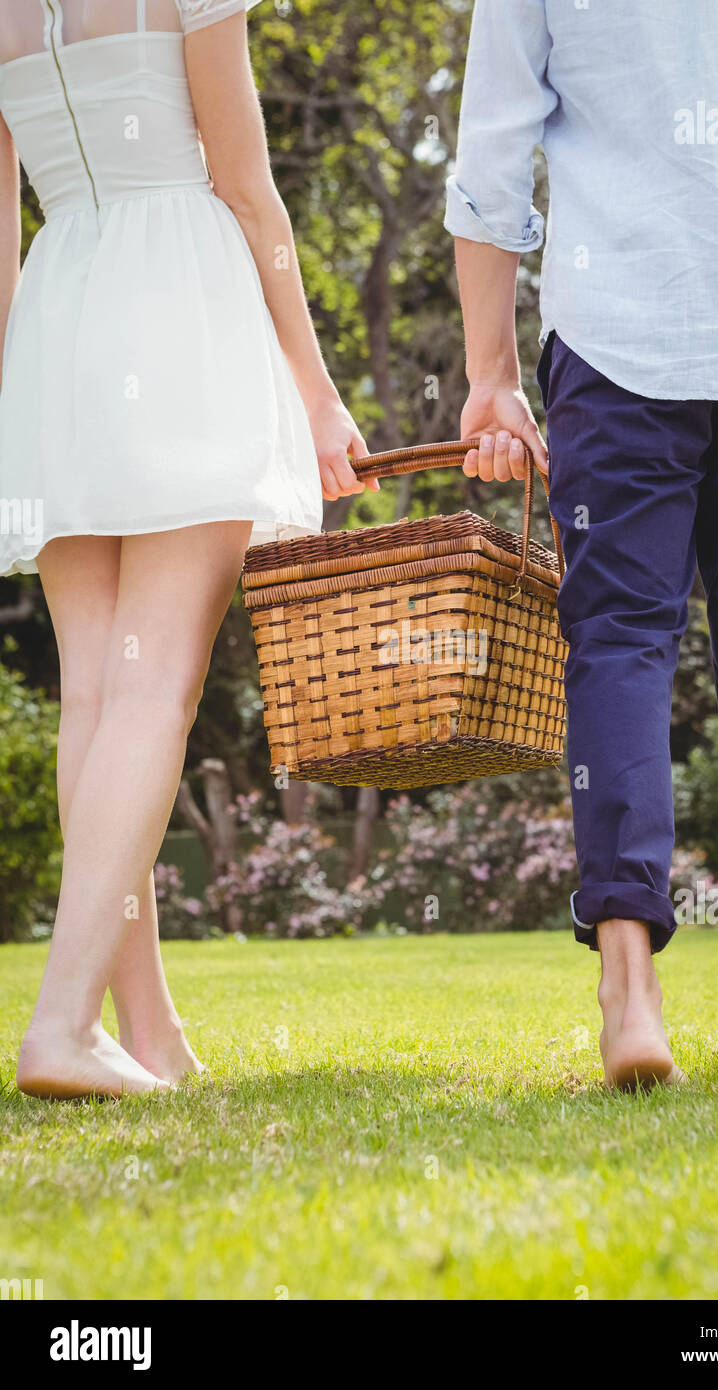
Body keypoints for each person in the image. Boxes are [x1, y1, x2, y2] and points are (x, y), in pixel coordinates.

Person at [446, 0, 718, 1088]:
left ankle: (628, 989)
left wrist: (488, 376)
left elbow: (490, 149)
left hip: (619, 325)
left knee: (620, 641)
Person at [0, 0, 374, 1099]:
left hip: (58, 314)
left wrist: (21, 392)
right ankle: (60, 1028)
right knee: (153, 686)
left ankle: (145, 1031)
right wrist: (315, 392)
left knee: (95, 698)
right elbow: (246, 188)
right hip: (179, 311)